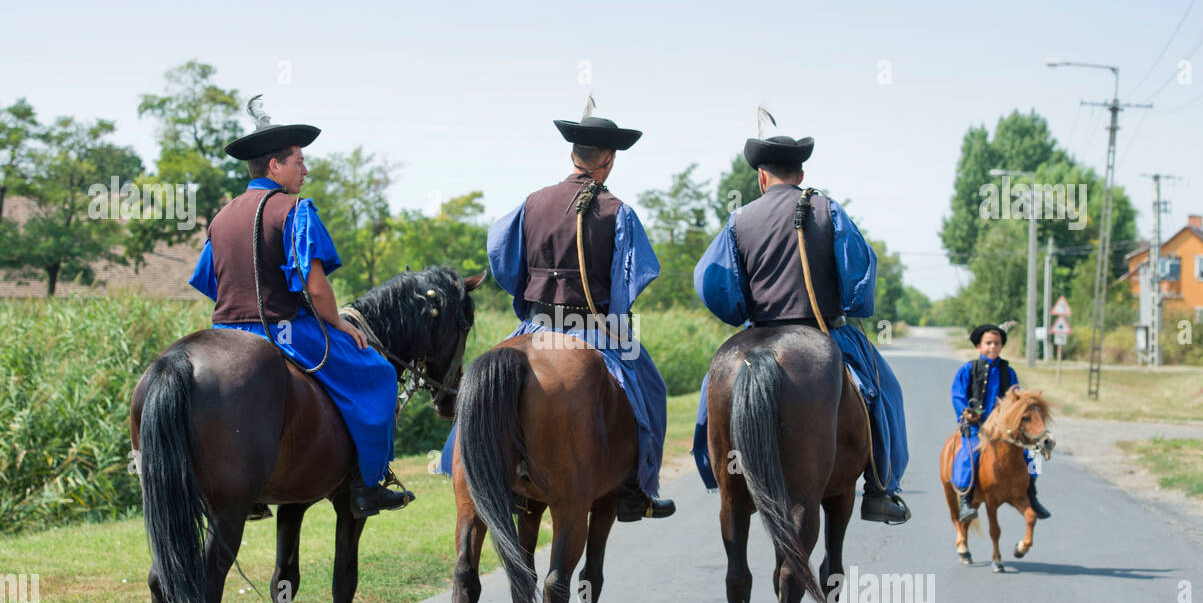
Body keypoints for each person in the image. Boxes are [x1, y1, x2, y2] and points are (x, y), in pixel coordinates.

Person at [439, 103, 674, 521]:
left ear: (572, 155)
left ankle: (457, 464)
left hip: (536, 322)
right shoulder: (620, 212)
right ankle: (637, 487)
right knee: (650, 388)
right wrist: (614, 321)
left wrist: (529, 299)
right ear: (609, 160)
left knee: (485, 380)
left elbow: (503, 259)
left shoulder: (530, 204)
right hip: (594, 326)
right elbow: (630, 282)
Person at [188, 95, 408, 519]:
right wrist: (340, 324)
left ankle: (244, 490)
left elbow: (209, 281)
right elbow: (317, 287)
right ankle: (368, 483)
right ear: (275, 166)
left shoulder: (220, 218)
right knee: (378, 374)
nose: (305, 171)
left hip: (226, 334)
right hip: (284, 331)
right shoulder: (296, 209)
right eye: (298, 162)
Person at [692, 130, 911, 524]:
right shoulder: (829, 210)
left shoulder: (738, 219)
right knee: (885, 391)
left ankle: (718, 475)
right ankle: (881, 488)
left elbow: (712, 281)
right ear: (801, 172)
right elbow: (860, 272)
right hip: (825, 330)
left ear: (761, 177)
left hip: (756, 329)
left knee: (711, 396)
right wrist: (848, 304)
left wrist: (744, 313)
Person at [950, 323, 1051, 523]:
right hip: (976, 427)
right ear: (979, 346)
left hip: (1003, 430)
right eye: (988, 343)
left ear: (1001, 346)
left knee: (1031, 456)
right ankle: (966, 500)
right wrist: (966, 412)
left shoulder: (1009, 372)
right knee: (969, 455)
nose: (993, 347)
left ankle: (1031, 494)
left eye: (997, 343)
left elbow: (1016, 400)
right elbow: (957, 394)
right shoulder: (968, 369)